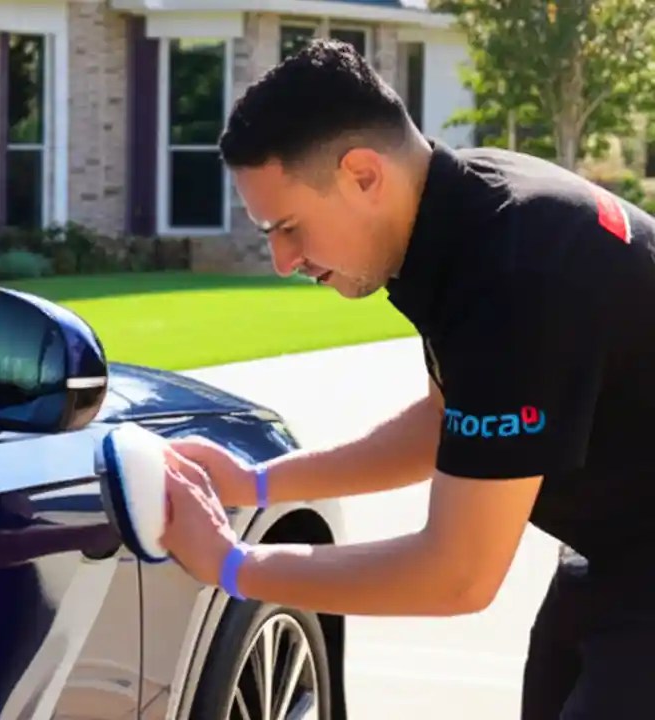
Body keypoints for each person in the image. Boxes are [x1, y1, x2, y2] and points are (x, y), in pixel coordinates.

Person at [157, 39, 655, 719]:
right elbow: (451, 424)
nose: (281, 260)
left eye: (290, 227)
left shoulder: (514, 276)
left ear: (363, 174)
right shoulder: (467, 214)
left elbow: (458, 576)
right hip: (617, 552)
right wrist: (260, 483)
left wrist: (232, 567)